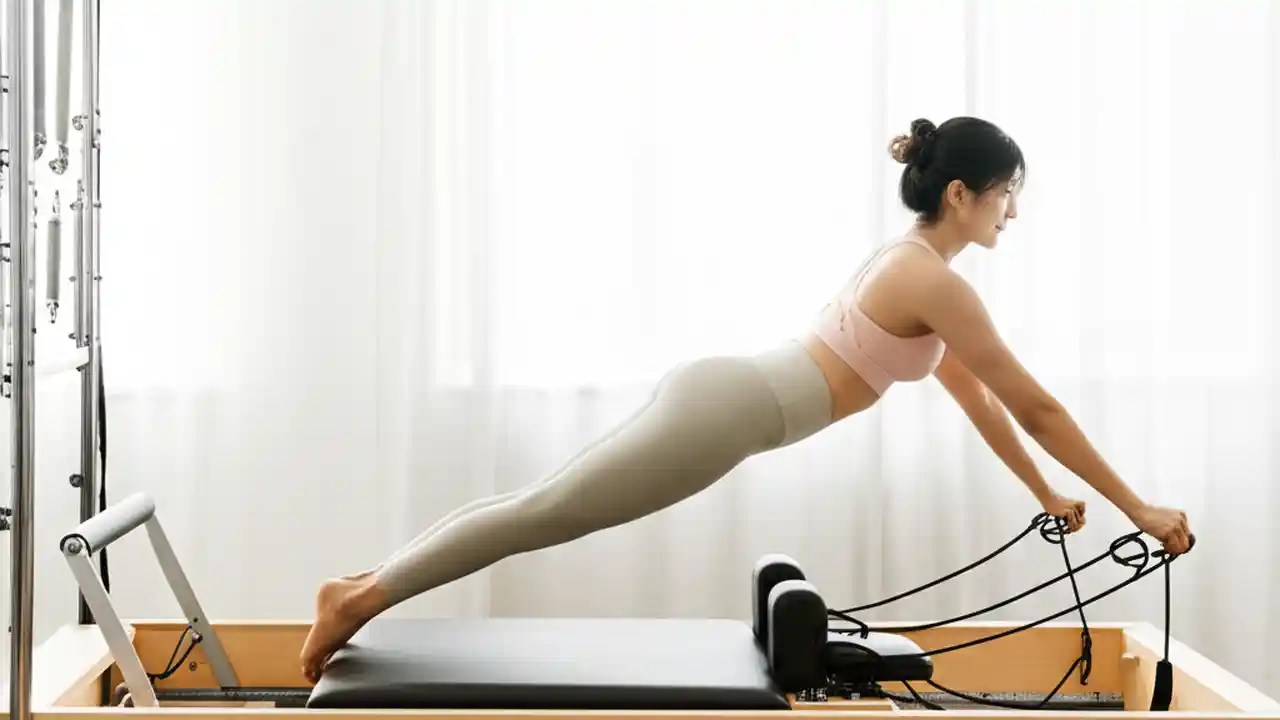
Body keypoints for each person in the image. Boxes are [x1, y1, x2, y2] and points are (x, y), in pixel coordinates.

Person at [298, 116, 1193, 683]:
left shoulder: (918, 270)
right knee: (547, 514)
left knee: (541, 504)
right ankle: (361, 598)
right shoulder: (931, 279)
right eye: (1007, 195)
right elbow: (1037, 406)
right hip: (726, 412)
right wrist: (1140, 508)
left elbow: (984, 402)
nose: (1013, 213)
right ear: (961, 194)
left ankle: (359, 586)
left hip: (724, 397)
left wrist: (1045, 492)